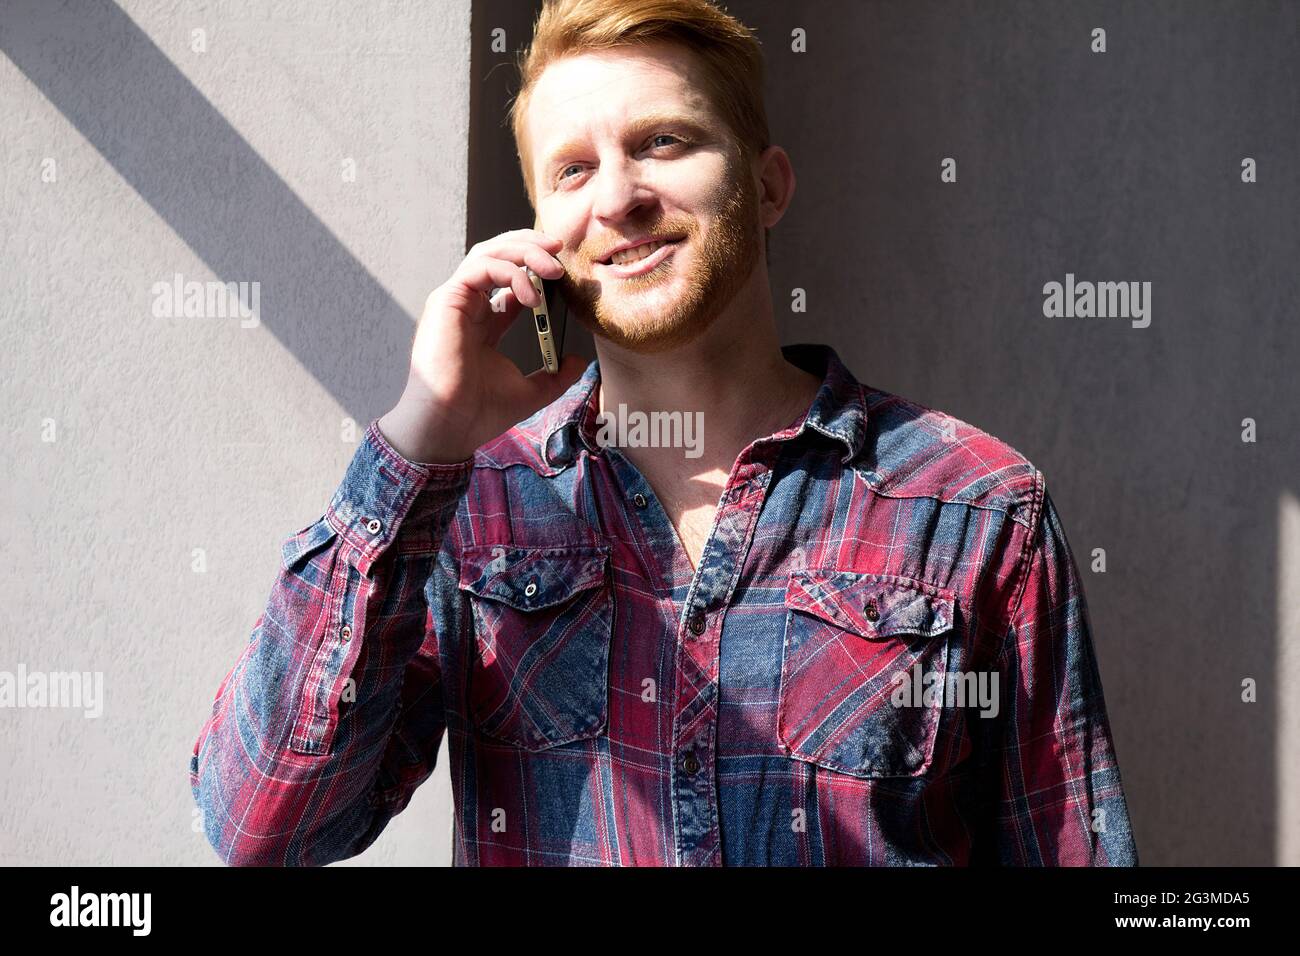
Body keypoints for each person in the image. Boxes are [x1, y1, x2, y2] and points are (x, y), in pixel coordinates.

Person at [190, 0, 1138, 866]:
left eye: (663, 142)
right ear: (541, 234)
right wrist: (419, 437)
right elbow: (263, 826)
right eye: (573, 169)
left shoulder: (975, 506)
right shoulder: (478, 504)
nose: (616, 199)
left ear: (768, 188)